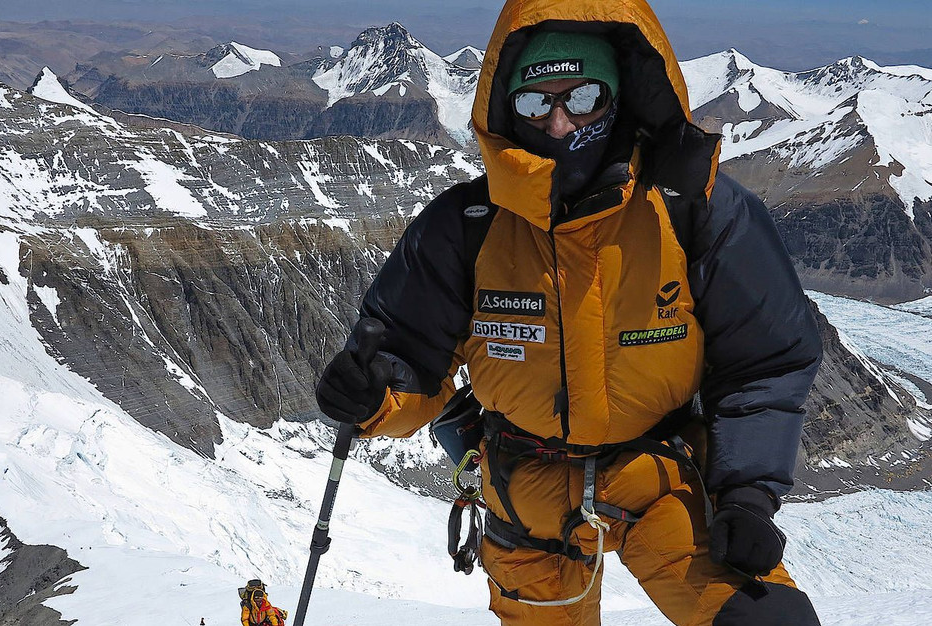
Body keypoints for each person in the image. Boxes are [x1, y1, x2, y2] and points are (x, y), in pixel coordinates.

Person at [315, 1, 823, 624]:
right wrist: (372, 401)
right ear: (505, 105)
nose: (558, 125)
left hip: (659, 476)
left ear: (621, 96)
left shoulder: (694, 210)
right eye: (535, 103)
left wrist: (745, 494)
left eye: (582, 97)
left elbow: (766, 358)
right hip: (522, 490)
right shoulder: (464, 230)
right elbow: (411, 365)